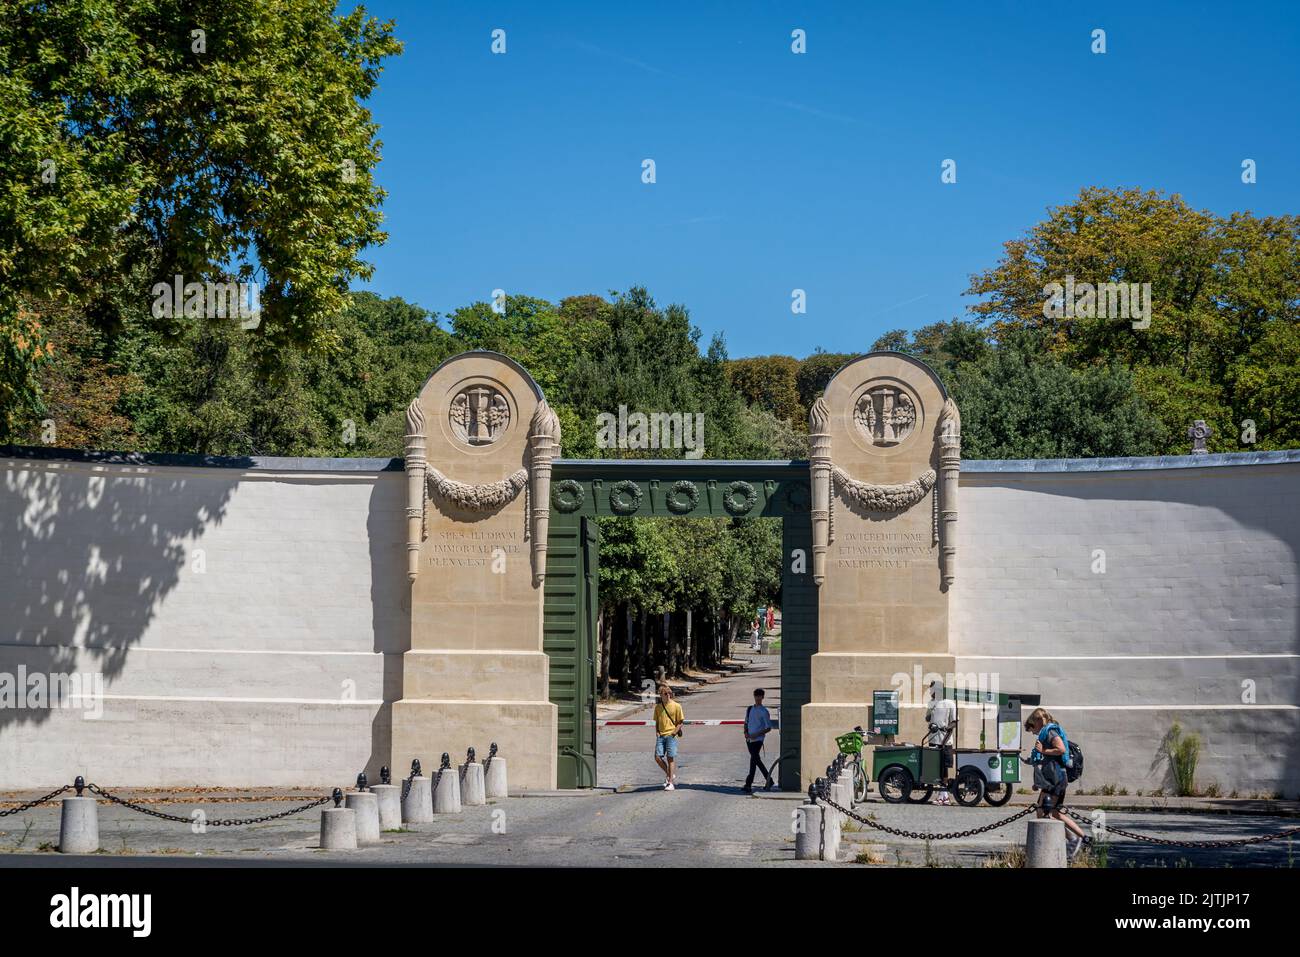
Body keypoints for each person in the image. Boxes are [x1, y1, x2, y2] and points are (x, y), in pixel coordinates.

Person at [1024, 707, 1088, 859]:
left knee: (1043, 811)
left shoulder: (1051, 732)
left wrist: (1044, 750)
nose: (1033, 732)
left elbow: (1061, 749)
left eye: (1033, 727)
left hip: (1056, 778)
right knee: (1053, 812)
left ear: (1039, 720)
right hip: (1053, 778)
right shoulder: (1047, 732)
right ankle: (1082, 838)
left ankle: (1074, 839)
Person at [742, 688, 775, 793]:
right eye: (756, 696)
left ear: (762, 697)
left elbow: (768, 727)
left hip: (758, 740)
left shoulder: (764, 711)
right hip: (749, 739)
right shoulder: (750, 709)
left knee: (754, 760)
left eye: (759, 696)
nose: (757, 698)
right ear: (754, 696)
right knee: (755, 760)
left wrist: (757, 734)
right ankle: (767, 780)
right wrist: (745, 732)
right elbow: (746, 722)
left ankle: (750, 783)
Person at [653, 684, 684, 791]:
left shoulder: (676, 706)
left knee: (670, 758)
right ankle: (669, 774)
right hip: (661, 735)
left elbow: (680, 722)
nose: (668, 695)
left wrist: (673, 733)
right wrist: (657, 732)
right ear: (661, 695)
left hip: (671, 735)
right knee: (657, 757)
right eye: (665, 693)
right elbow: (657, 721)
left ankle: (670, 782)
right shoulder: (658, 707)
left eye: (669, 693)